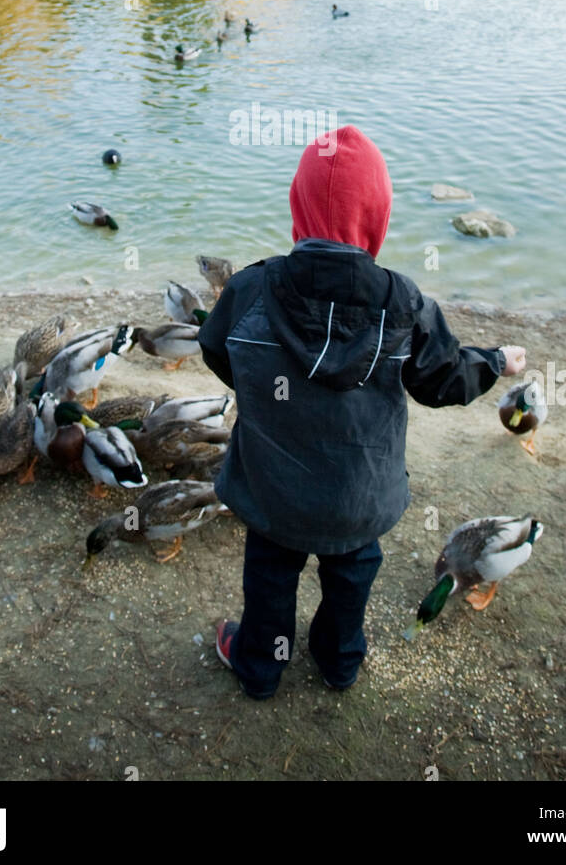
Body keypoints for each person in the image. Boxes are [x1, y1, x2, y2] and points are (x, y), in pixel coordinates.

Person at [198, 125, 525, 699]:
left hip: (272, 492)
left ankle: (260, 667)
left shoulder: (250, 290)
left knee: (270, 577)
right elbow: (443, 379)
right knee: (350, 579)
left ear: (297, 208)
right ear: (377, 215)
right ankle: (339, 661)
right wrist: (495, 361)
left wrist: (265, 397)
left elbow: (217, 350)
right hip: (359, 498)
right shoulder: (405, 304)